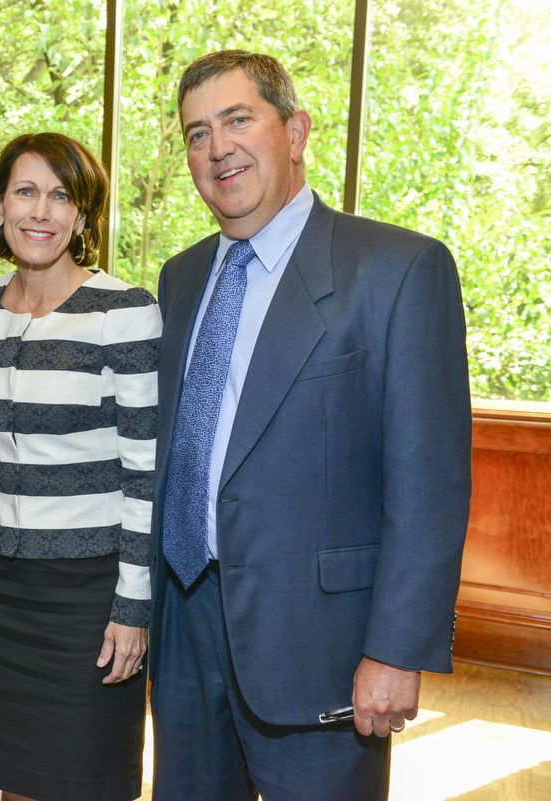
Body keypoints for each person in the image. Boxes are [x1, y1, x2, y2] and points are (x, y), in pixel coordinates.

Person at [150, 49, 472, 800]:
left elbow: (429, 485)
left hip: (319, 645)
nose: (218, 147)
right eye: (197, 133)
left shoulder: (398, 270)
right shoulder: (181, 276)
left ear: (295, 131)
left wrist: (396, 649)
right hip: (185, 627)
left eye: (238, 120)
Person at [0, 132, 161, 801]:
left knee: (81, 777)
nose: (41, 211)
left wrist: (133, 606)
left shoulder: (123, 311)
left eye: (61, 195)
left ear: (82, 214)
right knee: (15, 776)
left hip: (86, 590)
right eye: (25, 191)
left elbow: (146, 473)